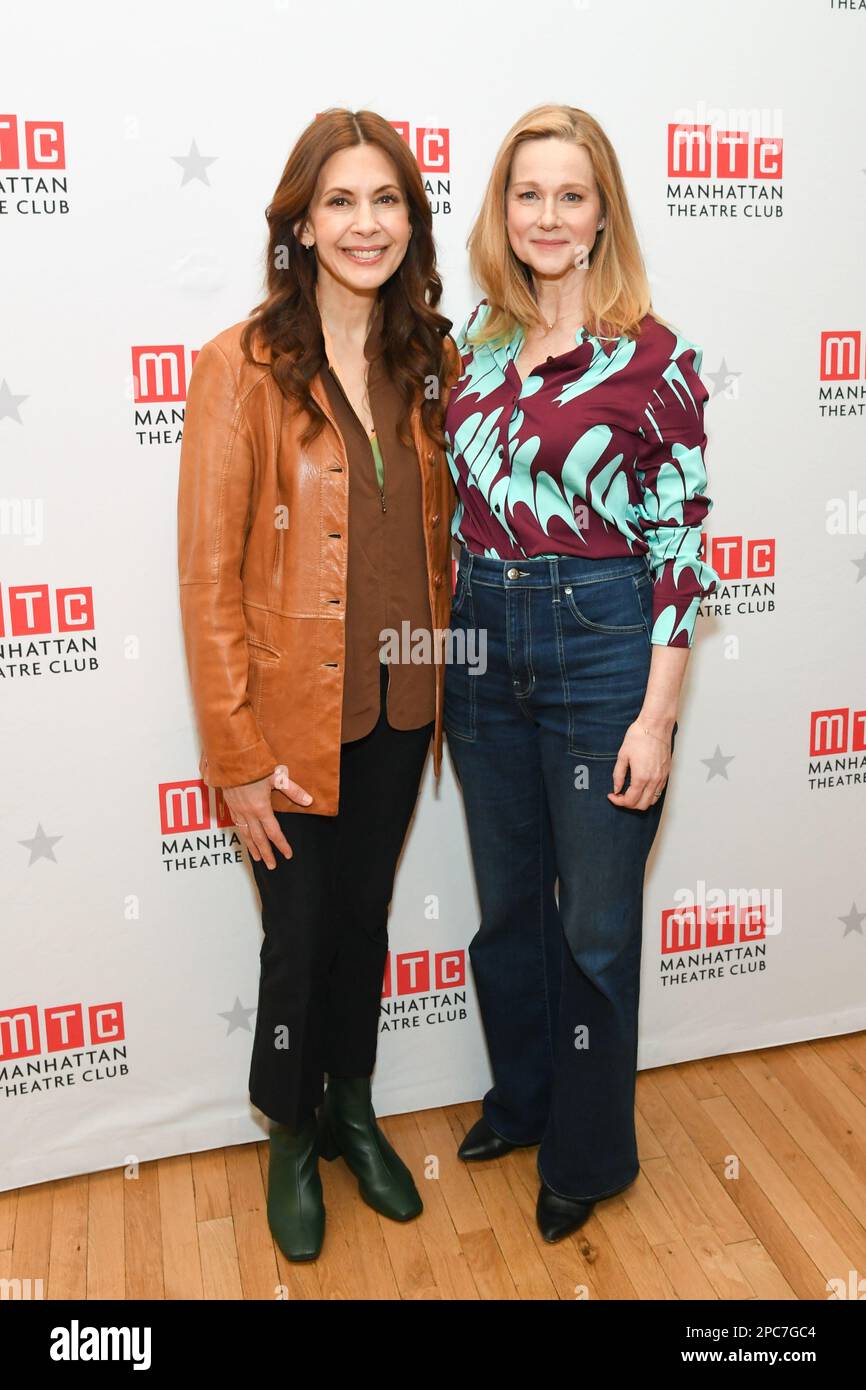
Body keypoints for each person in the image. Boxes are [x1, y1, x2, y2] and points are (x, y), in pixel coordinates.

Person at [177, 108, 459, 1262]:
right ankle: (290, 1132)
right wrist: (236, 757)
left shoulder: (432, 359)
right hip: (289, 719)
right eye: (338, 202)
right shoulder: (238, 369)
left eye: (384, 200)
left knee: (363, 919)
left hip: (403, 703)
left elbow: (440, 537)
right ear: (298, 222)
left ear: (410, 220)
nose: (363, 223)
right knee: (295, 940)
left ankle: (352, 1103)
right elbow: (206, 579)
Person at [442, 104, 721, 1242]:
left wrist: (655, 718)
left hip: (601, 648)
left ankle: (589, 1152)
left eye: (568, 194)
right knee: (508, 907)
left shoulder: (656, 361)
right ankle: (522, 1097)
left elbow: (680, 550)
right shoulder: (476, 342)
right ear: (501, 213)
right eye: (526, 194)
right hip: (477, 642)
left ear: (601, 212)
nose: (545, 215)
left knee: (593, 925)